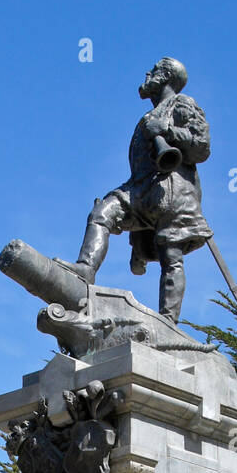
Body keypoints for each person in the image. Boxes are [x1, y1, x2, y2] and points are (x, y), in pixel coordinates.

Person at [65, 58, 213, 323]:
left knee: (172, 257)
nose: (148, 73)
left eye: (155, 70)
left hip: (173, 192)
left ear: (167, 76)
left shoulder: (183, 104)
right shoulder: (149, 115)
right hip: (141, 189)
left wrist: (167, 130)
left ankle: (168, 321)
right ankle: (85, 269)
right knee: (102, 213)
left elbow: (201, 146)